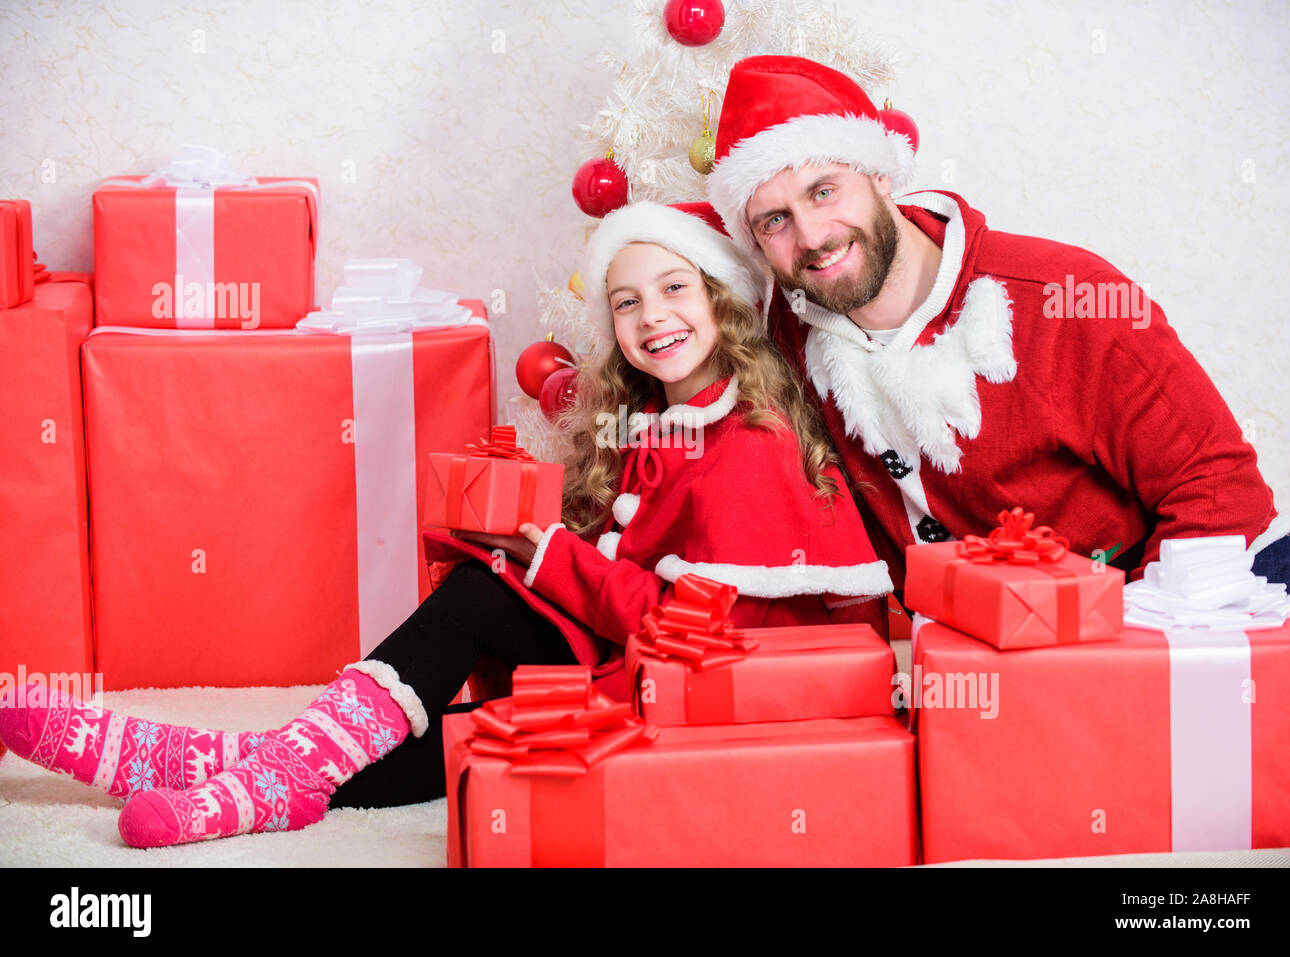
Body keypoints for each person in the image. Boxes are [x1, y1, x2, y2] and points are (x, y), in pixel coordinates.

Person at [0, 200, 892, 848]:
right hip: (646, 660)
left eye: (674, 289)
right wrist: (519, 538)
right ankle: (252, 765)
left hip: (707, 698)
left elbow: (693, 631)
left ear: (723, 304)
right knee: (470, 712)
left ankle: (263, 768)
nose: (652, 315)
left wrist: (545, 555)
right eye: (627, 302)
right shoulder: (660, 420)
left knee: (479, 617)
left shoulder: (747, 444)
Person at [704, 55, 1290, 593]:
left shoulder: (1067, 296)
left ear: (879, 176)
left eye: (825, 191)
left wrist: (1120, 651)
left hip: (1131, 605)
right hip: (966, 650)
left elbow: (1221, 487)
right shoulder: (785, 334)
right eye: (774, 221)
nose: (811, 237)